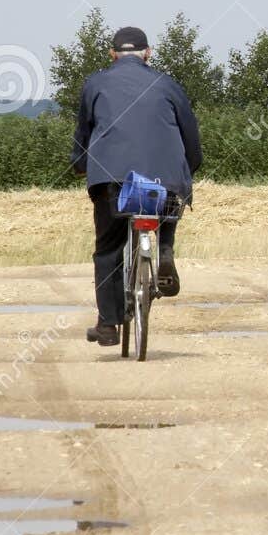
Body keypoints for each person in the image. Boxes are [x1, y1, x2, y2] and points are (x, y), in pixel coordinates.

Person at [70, 26, 202, 346]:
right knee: (168, 200)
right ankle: (165, 249)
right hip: (164, 181)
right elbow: (190, 135)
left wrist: (79, 164)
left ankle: (108, 326)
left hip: (111, 180)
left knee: (108, 250)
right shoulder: (168, 85)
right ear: (148, 53)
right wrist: (190, 167)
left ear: (113, 54)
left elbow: (83, 133)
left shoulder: (96, 83)